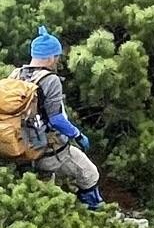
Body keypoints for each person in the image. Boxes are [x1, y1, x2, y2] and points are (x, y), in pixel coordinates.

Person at [16, 26, 104, 210]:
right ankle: (96, 215)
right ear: (50, 57)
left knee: (43, 192)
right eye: (56, 57)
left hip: (21, 149)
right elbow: (56, 119)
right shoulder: (50, 80)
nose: (57, 61)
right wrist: (78, 135)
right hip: (50, 151)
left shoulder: (16, 75)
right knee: (89, 173)